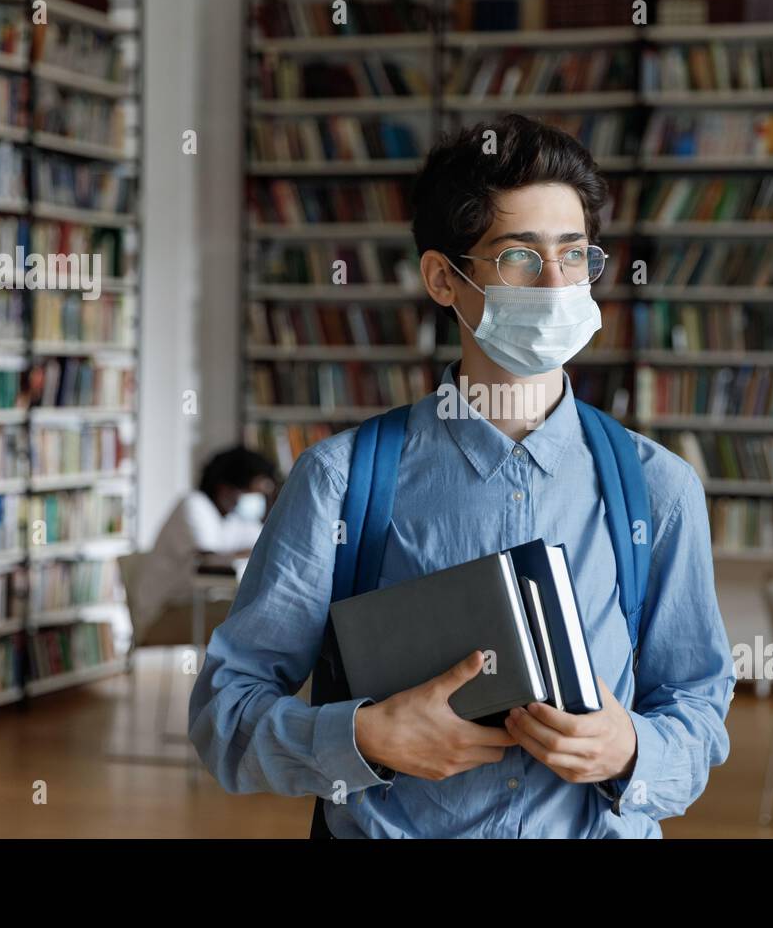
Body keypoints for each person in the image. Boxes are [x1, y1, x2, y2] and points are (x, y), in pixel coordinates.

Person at [188, 114, 736, 838]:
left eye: (574, 256)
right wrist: (365, 737)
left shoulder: (658, 487)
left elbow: (697, 707)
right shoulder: (339, 480)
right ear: (444, 278)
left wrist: (633, 748)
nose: (556, 283)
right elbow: (226, 710)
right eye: (519, 257)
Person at [133, 446, 277, 645]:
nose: (259, 500)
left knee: (261, 614)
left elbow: (268, 543)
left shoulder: (235, 517)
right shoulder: (194, 505)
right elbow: (210, 560)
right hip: (164, 612)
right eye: (254, 492)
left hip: (198, 605)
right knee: (255, 622)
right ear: (226, 488)